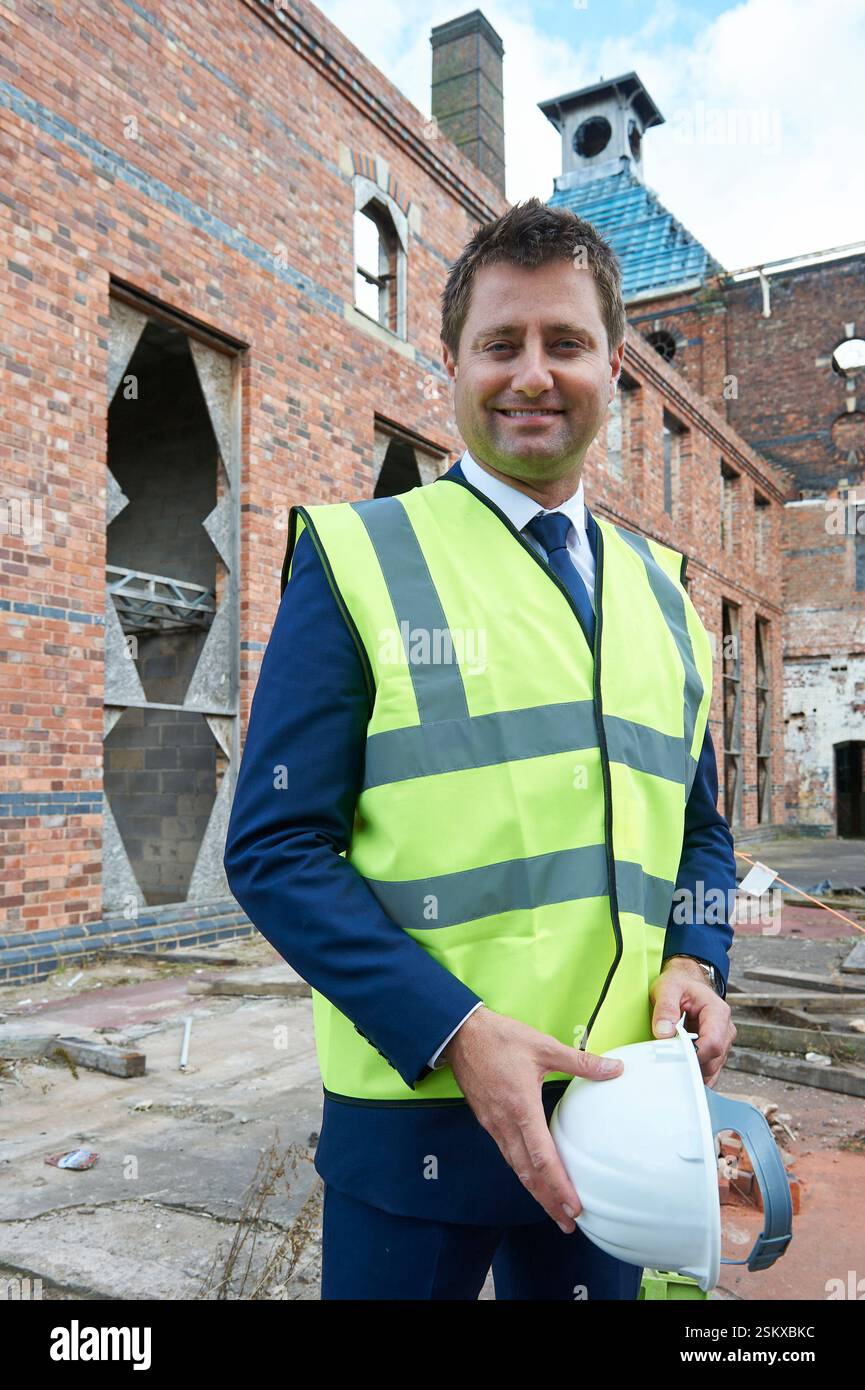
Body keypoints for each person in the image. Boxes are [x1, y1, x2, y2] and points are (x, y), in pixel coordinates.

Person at [223, 197, 737, 1301]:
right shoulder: (361, 558)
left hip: (617, 1117)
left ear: (614, 367)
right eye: (500, 344)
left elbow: (698, 831)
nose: (532, 373)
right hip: (416, 1125)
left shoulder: (670, 603)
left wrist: (698, 960)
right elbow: (274, 847)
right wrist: (453, 1029)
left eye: (565, 343)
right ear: (449, 363)